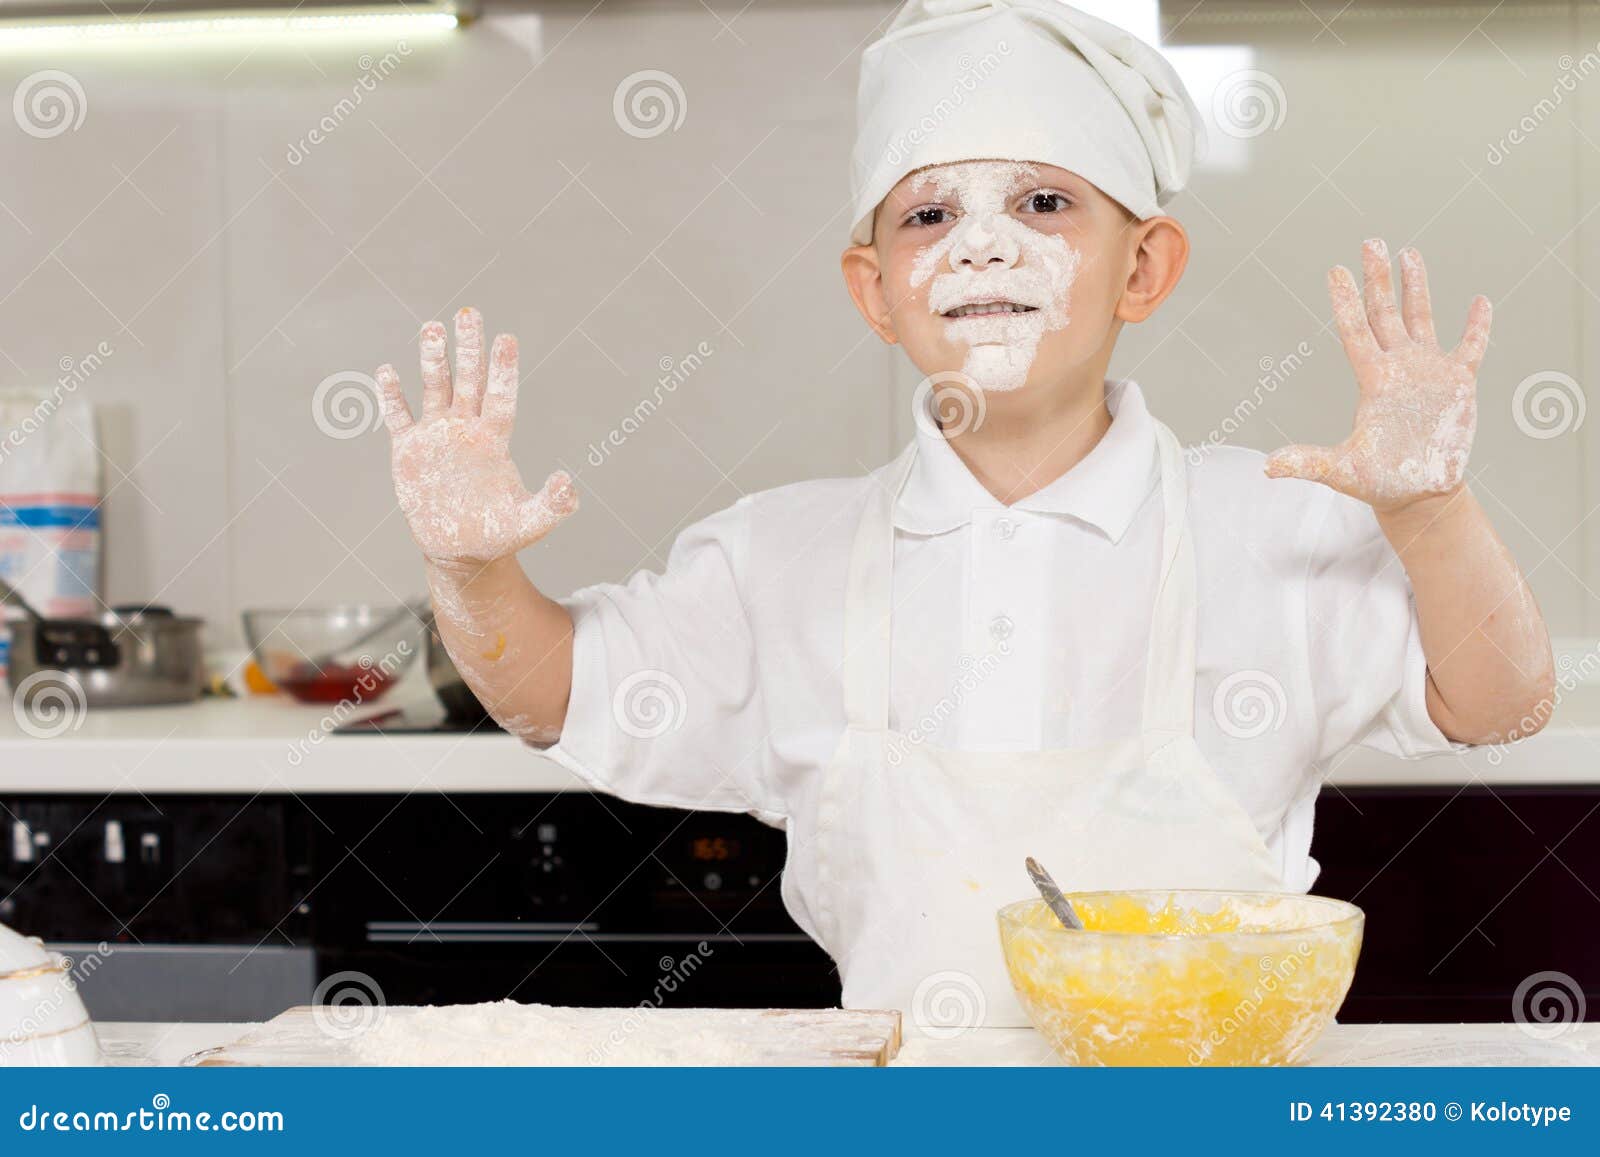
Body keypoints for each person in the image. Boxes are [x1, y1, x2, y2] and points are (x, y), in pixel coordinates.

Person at [369, 0, 1553, 1027]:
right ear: (873, 289)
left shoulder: (1273, 519)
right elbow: (550, 692)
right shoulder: (778, 556)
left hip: (1209, 1110)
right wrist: (468, 571)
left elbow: (1500, 703)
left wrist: (1432, 511)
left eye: (1043, 201)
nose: (983, 243)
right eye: (928, 215)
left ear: (1143, 268)